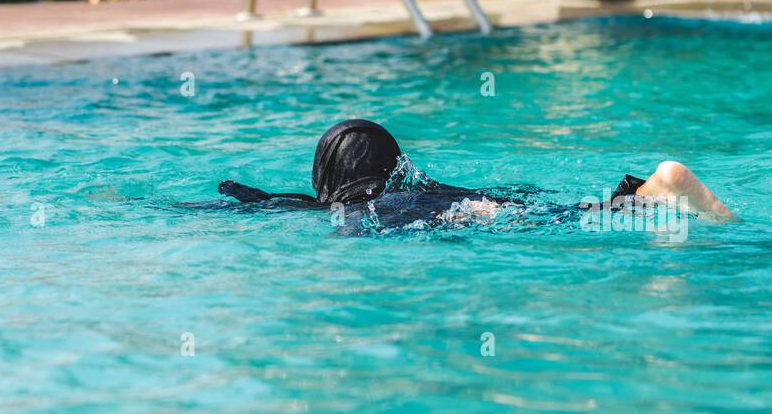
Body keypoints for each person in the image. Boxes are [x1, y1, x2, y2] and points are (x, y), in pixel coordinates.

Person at [218, 119, 733, 230]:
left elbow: (265, 201)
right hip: (484, 201)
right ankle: (649, 189)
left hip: (455, 220)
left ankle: (647, 195)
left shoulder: (352, 211)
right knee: (567, 213)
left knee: (555, 224)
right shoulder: (420, 185)